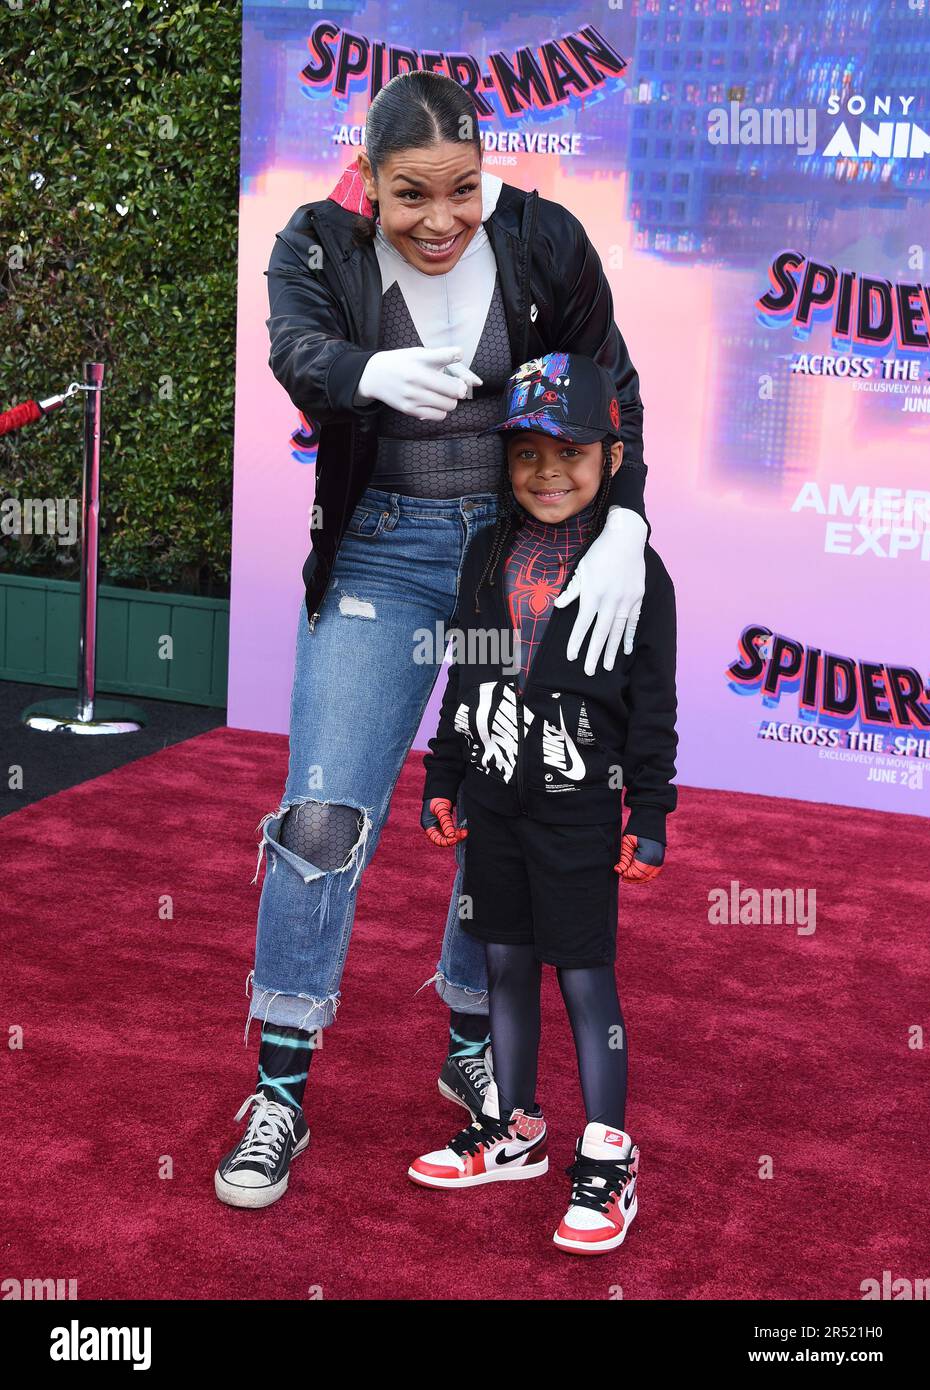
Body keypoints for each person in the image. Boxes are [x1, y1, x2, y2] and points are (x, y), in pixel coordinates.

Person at [215, 70, 651, 1210]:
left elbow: (612, 387)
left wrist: (627, 520)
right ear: (368, 180)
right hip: (383, 555)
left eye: (465, 189)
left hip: (513, 561)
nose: (442, 220)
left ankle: (475, 1040)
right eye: (412, 195)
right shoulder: (321, 241)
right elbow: (297, 350)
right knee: (322, 815)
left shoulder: (546, 239)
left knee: (500, 801)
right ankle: (280, 1087)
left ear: (489, 170)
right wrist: (366, 371)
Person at [408, 353, 678, 1256]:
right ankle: (514, 1127)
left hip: (579, 815)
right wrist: (442, 778)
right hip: (492, 807)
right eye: (525, 453)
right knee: (503, 968)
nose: (547, 474)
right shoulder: (486, 552)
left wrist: (648, 813)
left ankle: (608, 1155)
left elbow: (652, 713)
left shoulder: (640, 575)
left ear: (610, 458)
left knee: (583, 978)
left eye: (570, 453)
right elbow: (465, 677)